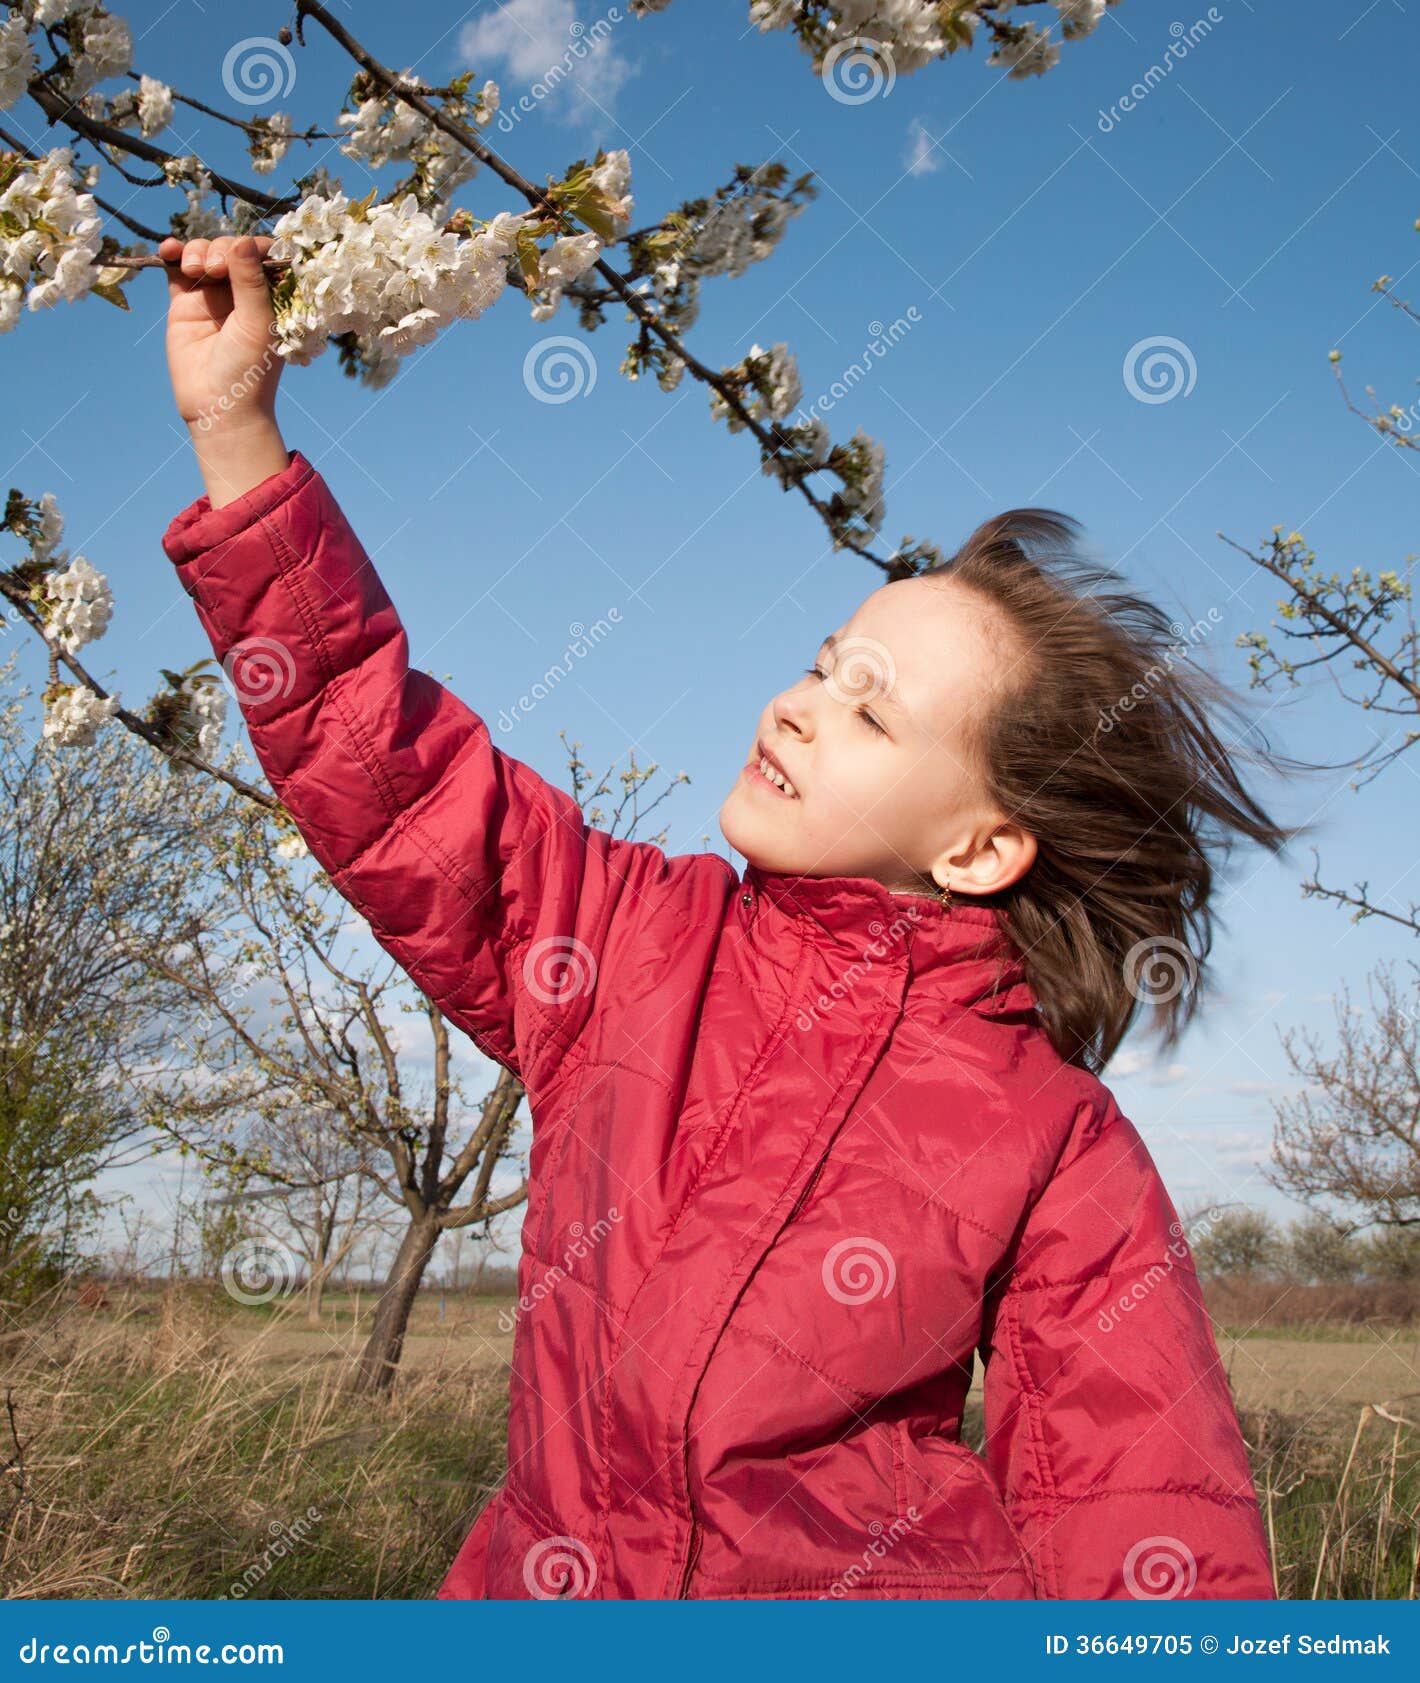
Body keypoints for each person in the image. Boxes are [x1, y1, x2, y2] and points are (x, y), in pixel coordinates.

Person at [157, 233, 1290, 1601]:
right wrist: (237, 436)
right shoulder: (629, 941)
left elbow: (1139, 1497)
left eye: (870, 710)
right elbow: (396, 776)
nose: (799, 705)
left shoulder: (1054, 1139)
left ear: (984, 845)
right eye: (824, 665)